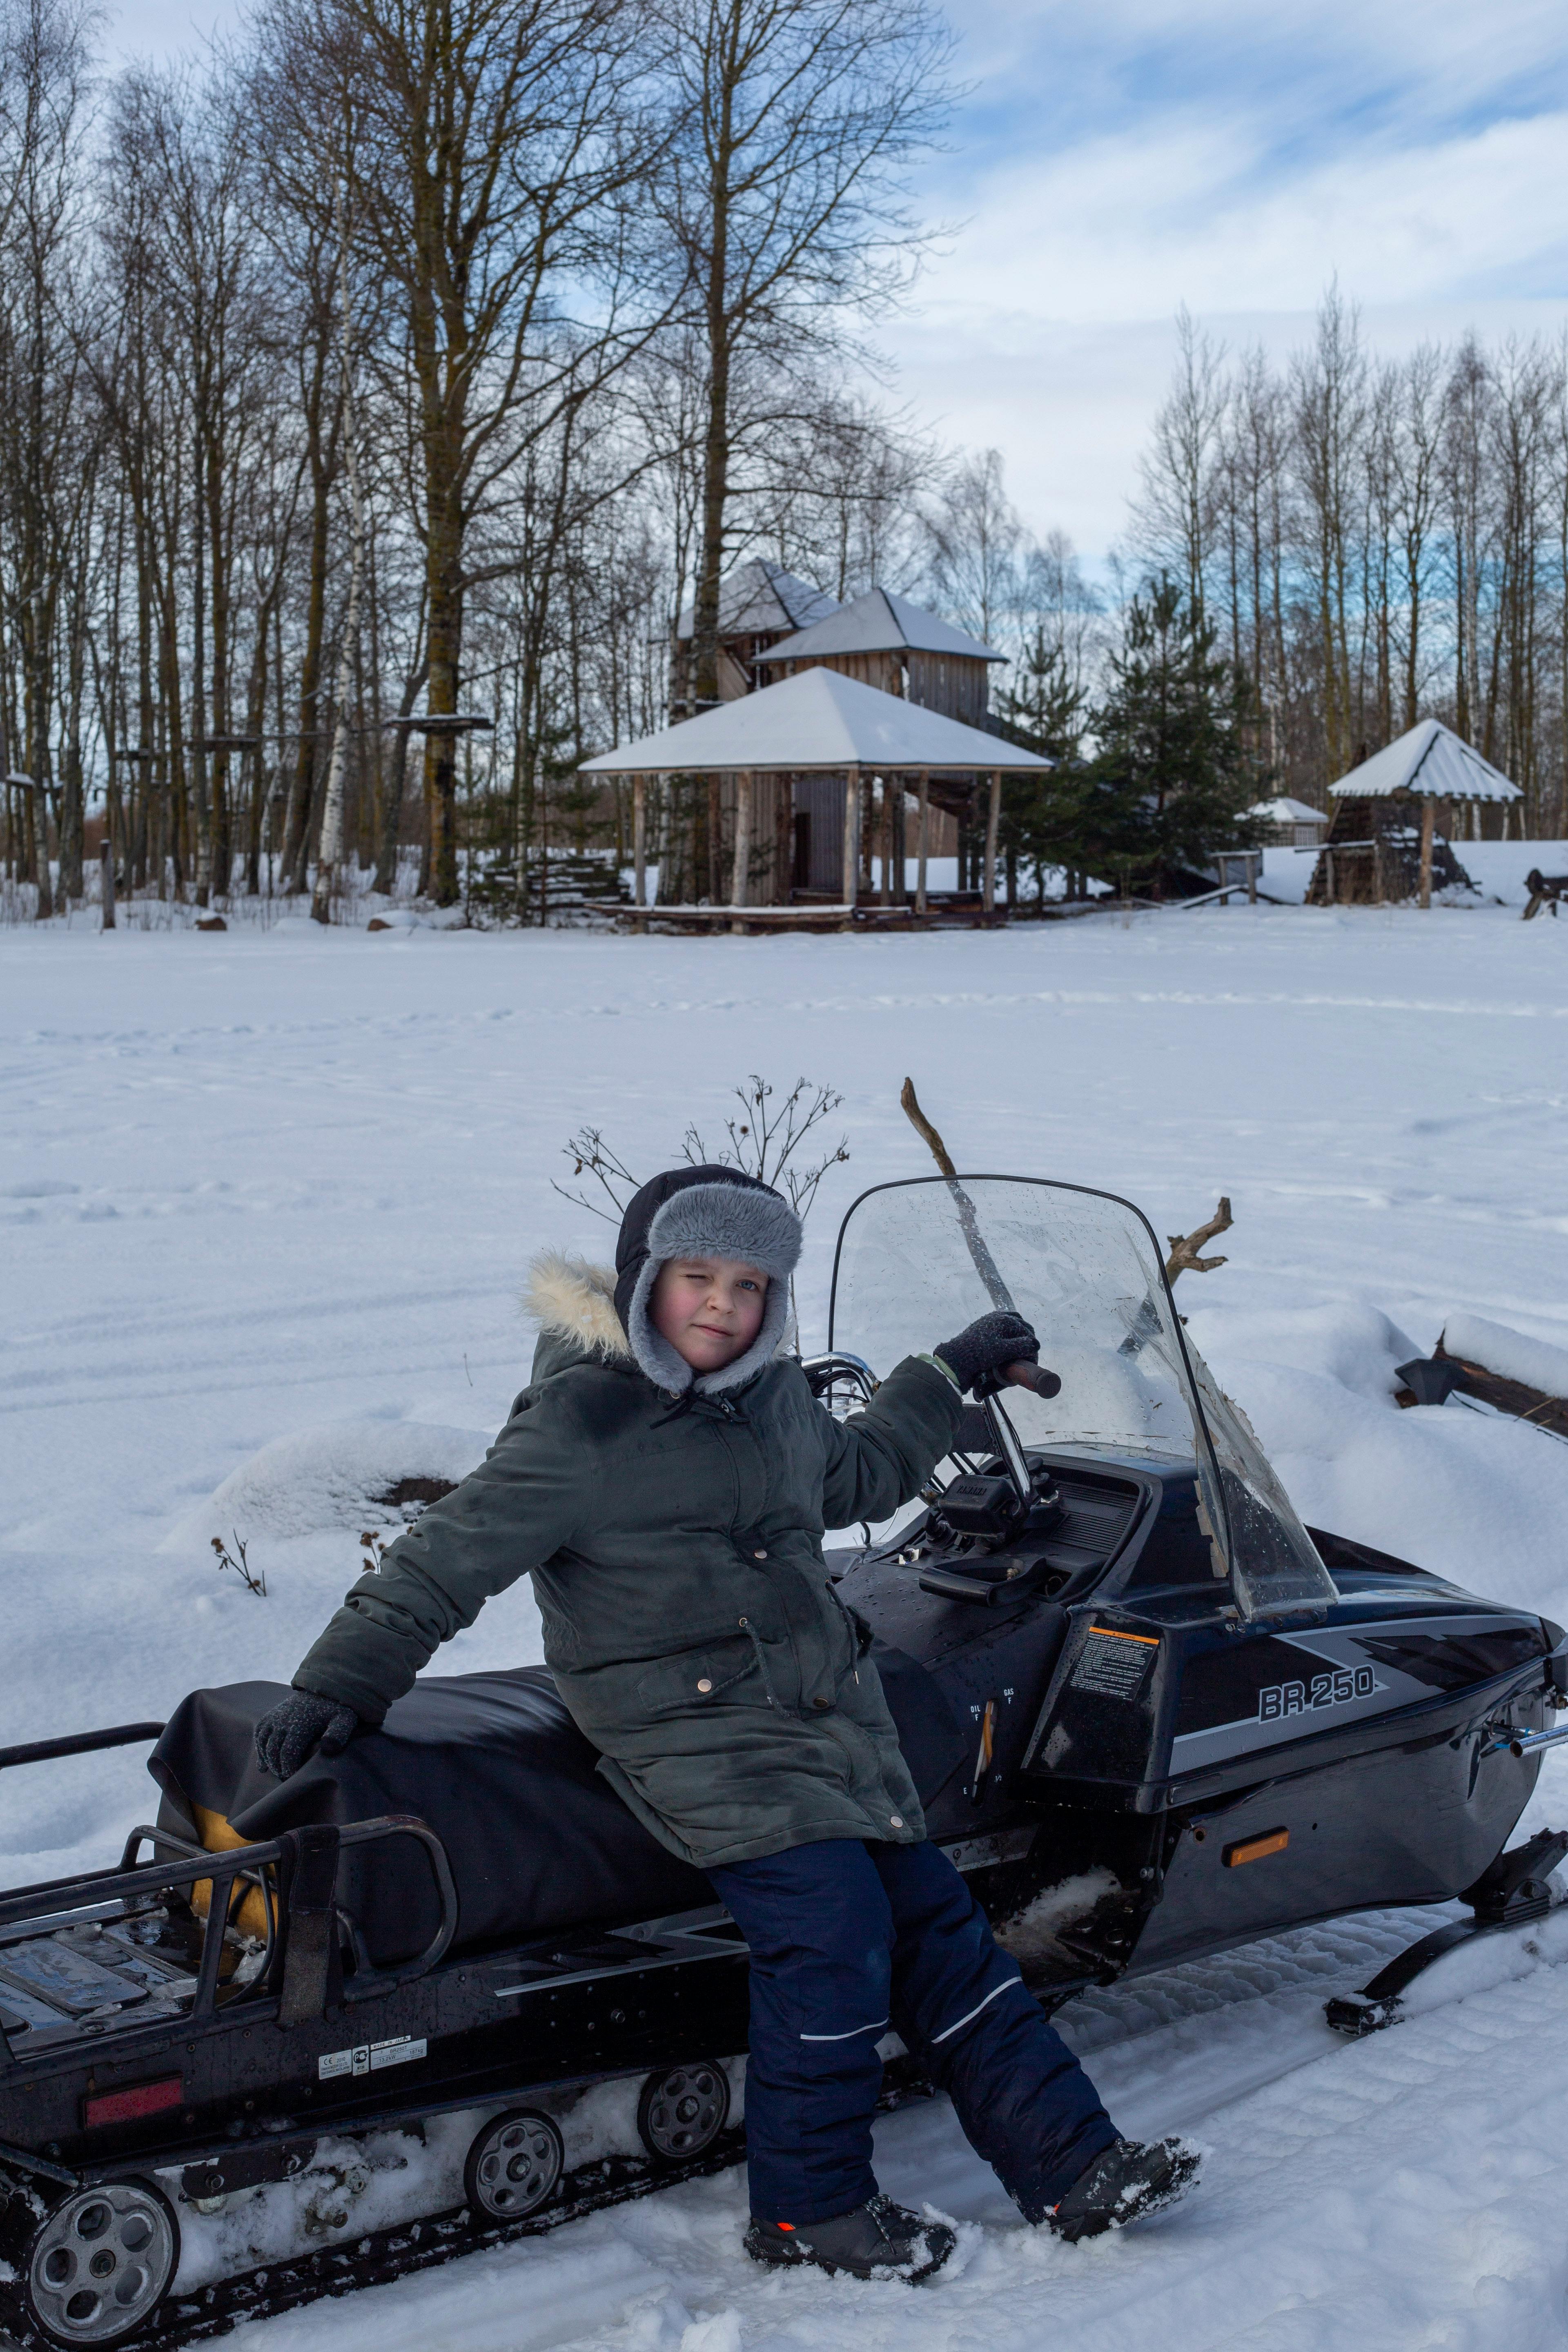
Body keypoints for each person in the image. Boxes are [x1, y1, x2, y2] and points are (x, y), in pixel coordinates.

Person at [255, 1165, 1198, 2282]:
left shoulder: (769, 1397)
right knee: (835, 1941)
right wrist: (341, 1680)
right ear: (645, 1278)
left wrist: (947, 1374)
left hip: (817, 1715)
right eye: (697, 1277)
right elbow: (446, 1557)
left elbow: (854, 1475)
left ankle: (1073, 2165)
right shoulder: (584, 1422)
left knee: (940, 1928)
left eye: (749, 1285)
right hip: (688, 1730)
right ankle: (809, 2214)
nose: (721, 1305)